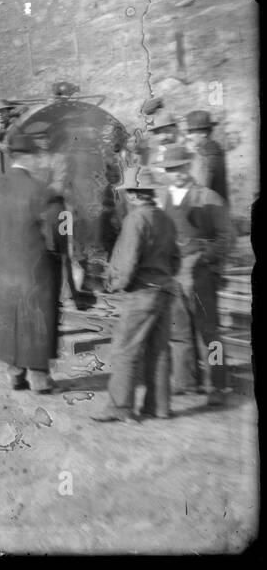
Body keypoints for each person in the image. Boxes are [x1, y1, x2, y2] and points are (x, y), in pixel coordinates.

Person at [92, 167, 181, 424]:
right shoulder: (165, 219)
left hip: (142, 293)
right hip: (165, 290)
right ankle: (159, 407)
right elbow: (176, 258)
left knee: (125, 350)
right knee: (160, 350)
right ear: (151, 192)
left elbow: (128, 261)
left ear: (133, 194)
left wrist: (116, 283)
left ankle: (120, 407)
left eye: (129, 191)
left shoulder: (135, 220)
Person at [0, 134, 67, 394]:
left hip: (8, 265)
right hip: (38, 267)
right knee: (37, 317)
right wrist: (59, 252)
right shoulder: (44, 191)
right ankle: (39, 377)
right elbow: (59, 231)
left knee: (11, 316)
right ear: (30, 158)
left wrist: (1, 248)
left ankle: (15, 373)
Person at [159, 145, 233, 405]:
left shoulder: (208, 198)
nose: (175, 174)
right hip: (173, 275)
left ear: (188, 166)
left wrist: (206, 256)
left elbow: (227, 237)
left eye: (179, 168)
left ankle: (217, 385)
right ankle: (185, 382)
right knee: (178, 331)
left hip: (201, 274)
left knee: (208, 332)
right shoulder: (162, 198)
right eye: (170, 169)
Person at [184, 110, 228, 203]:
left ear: (203, 133)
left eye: (191, 132)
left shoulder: (204, 156)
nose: (188, 136)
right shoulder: (218, 150)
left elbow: (199, 191)